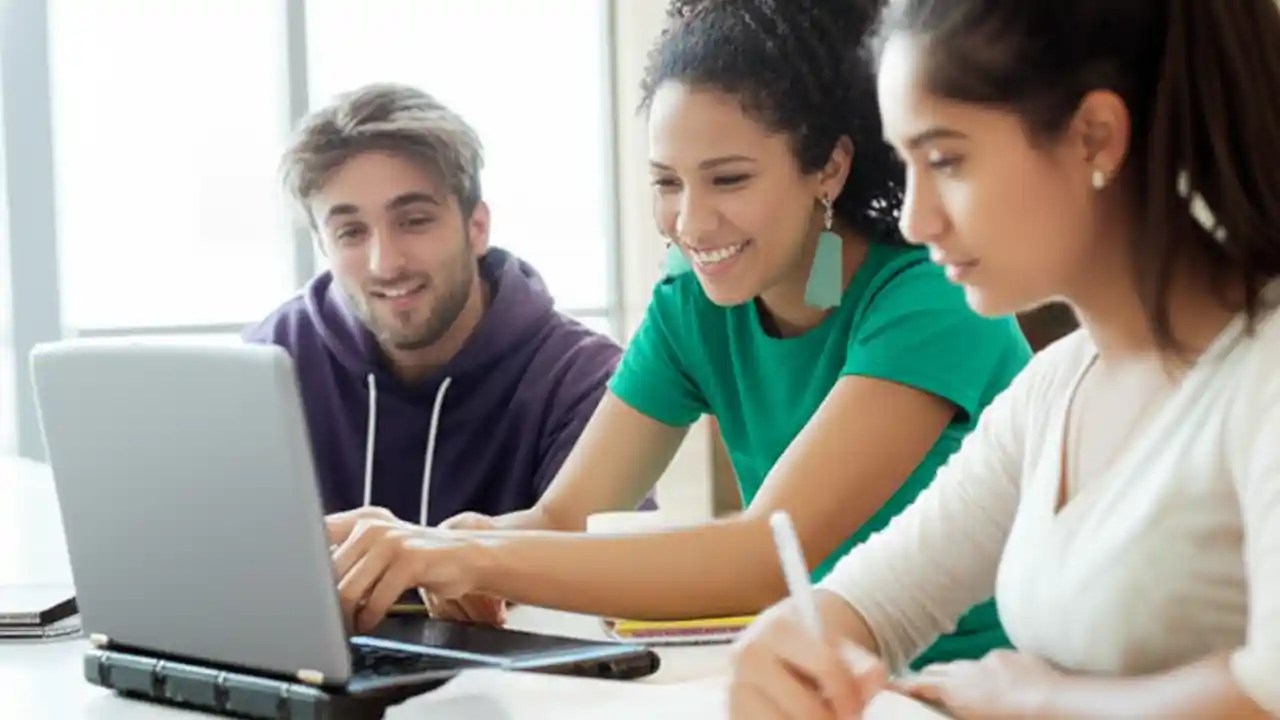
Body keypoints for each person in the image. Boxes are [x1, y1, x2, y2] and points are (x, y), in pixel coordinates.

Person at [325, 0, 1030, 668]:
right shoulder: (694, 299)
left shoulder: (936, 298)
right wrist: (423, 544)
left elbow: (763, 556)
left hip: (986, 686)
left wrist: (471, 559)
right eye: (667, 183)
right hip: (820, 679)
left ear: (829, 167)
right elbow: (568, 515)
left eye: (727, 179)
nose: (691, 223)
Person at [727, 0, 1280, 717]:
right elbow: (873, 601)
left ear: (1094, 137)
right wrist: (786, 647)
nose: (915, 219)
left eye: (947, 160)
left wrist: (1043, 705)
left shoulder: (1262, 375)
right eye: (906, 164)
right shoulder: (1054, 388)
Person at [246, 83, 622, 529]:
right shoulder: (270, 365)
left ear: (477, 227)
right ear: (322, 245)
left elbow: (605, 575)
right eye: (351, 232)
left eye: (414, 221)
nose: (385, 263)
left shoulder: (581, 380)